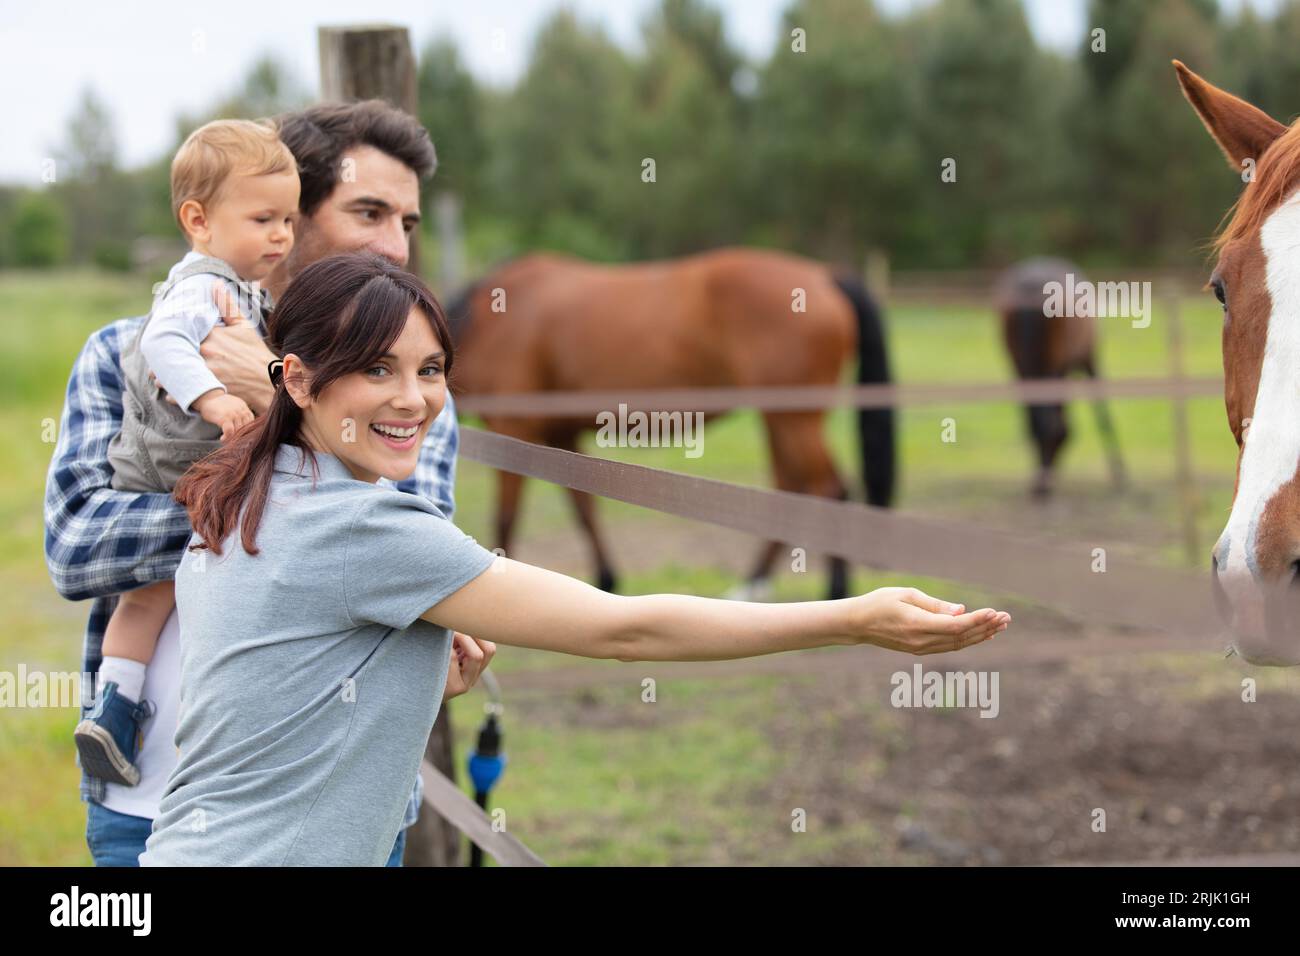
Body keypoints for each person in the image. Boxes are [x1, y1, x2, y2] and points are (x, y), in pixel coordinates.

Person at [140, 252, 1011, 866]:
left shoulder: (245, 493)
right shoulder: (360, 526)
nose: (414, 401)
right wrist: (856, 617)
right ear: (294, 381)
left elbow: (268, 686)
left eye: (432, 369)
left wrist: (391, 671)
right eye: (377, 371)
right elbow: (628, 631)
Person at [43, 100, 460, 867]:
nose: (394, 247)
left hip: (338, 816)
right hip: (147, 808)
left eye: (408, 223)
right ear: (289, 219)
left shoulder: (405, 390)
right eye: (369, 212)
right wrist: (282, 493)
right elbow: (78, 546)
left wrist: (277, 400)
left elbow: (405, 551)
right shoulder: (125, 351)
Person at [74, 119, 299, 788]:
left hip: (165, 464)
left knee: (145, 601)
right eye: (263, 218)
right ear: (198, 220)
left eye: (288, 218)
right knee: (158, 597)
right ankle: (123, 710)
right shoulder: (205, 288)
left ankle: (114, 705)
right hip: (171, 464)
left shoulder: (230, 288)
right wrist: (215, 400)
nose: (282, 235)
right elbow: (163, 347)